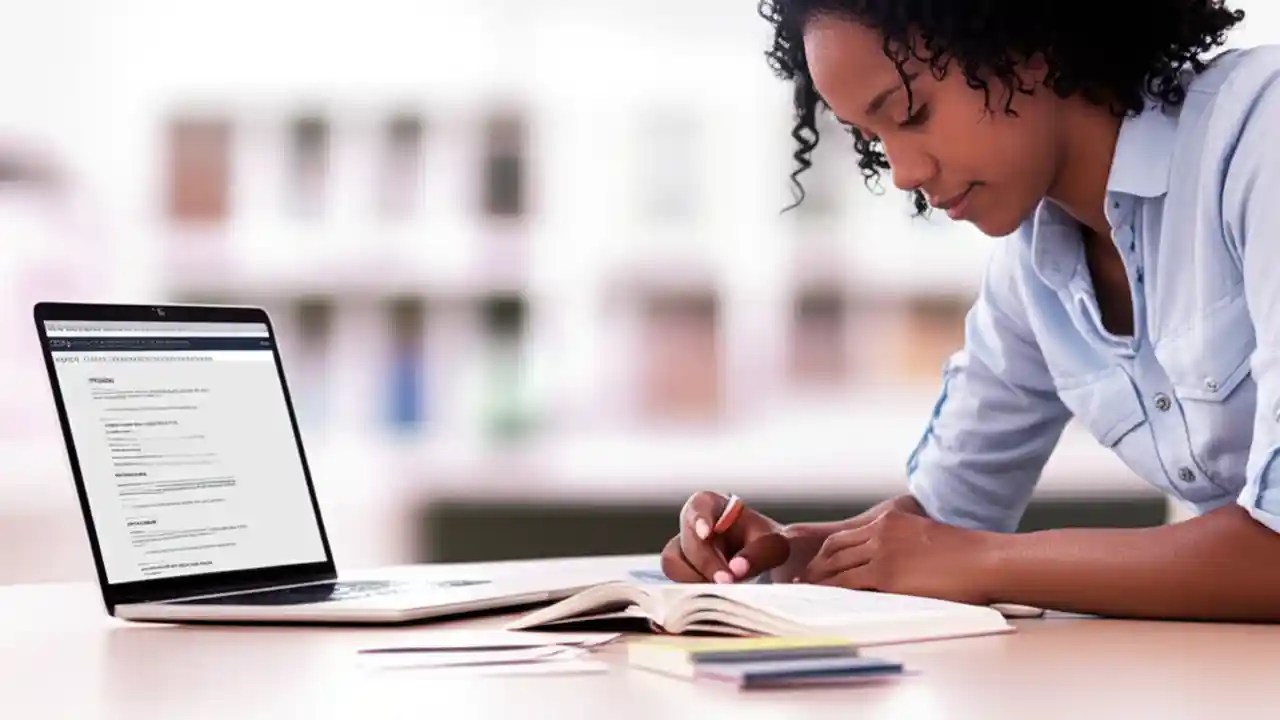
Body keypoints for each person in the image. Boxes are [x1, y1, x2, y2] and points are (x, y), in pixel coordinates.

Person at [660, 0, 1280, 621]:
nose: (901, 173)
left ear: (1026, 38)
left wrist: (982, 562)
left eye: (911, 113)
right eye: (873, 138)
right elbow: (942, 523)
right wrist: (789, 553)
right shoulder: (1036, 267)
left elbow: (959, 552)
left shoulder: (1260, 140)